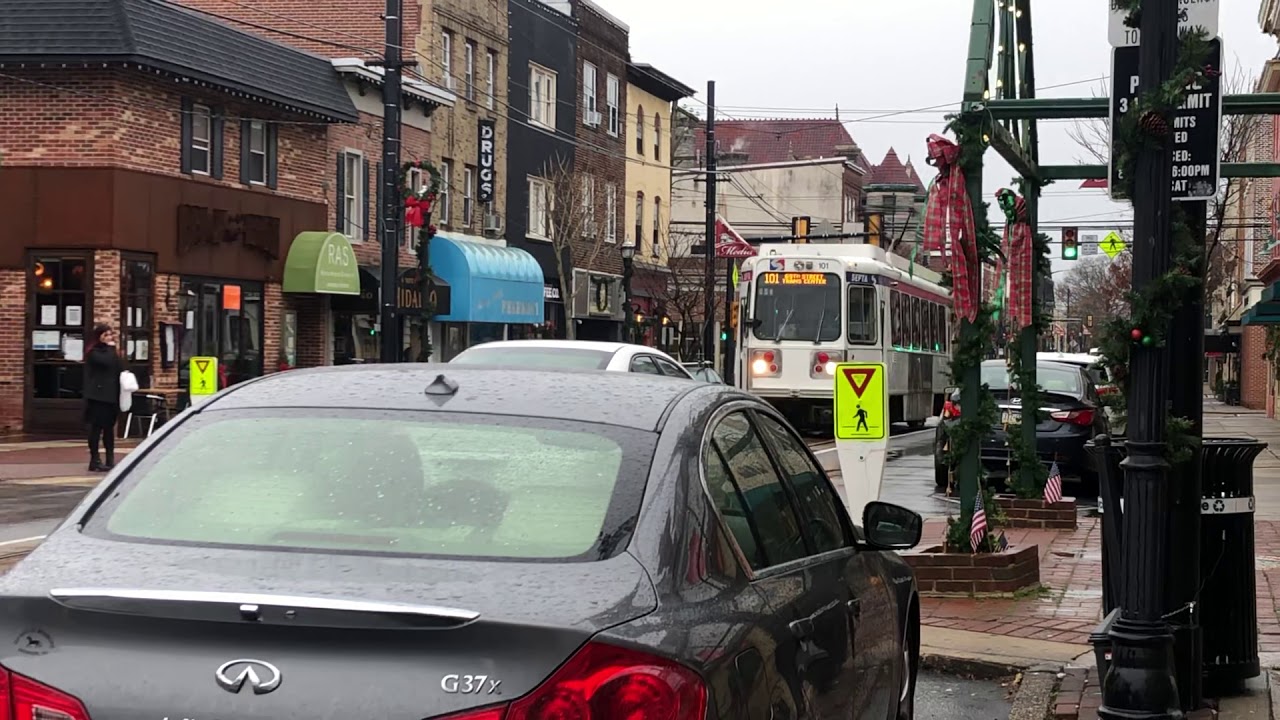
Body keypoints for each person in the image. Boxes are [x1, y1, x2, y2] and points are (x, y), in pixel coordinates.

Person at [83, 323, 123, 472]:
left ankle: (110, 459)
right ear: (98, 336)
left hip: (112, 395)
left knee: (109, 428)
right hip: (98, 396)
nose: (109, 338)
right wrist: (112, 349)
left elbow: (120, 366)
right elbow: (106, 362)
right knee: (96, 428)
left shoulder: (112, 352)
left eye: (110, 335)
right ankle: (95, 459)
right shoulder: (93, 352)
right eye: (105, 335)